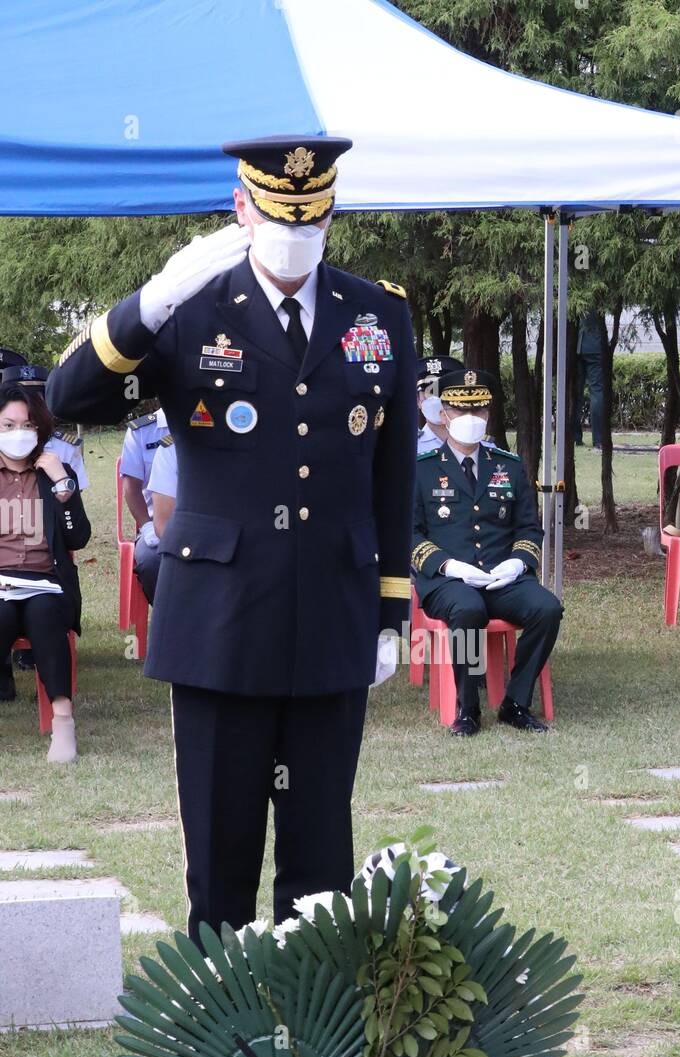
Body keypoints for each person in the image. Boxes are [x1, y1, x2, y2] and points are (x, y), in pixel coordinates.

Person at [47, 134, 416, 949]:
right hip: (219, 621)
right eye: (279, 217)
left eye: (310, 221)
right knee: (219, 857)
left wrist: (392, 607)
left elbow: (393, 474)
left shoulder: (379, 312)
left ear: (331, 215)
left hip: (331, 616)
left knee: (322, 861)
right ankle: (223, 1046)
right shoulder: (192, 309)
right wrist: (148, 303)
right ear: (242, 209)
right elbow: (68, 395)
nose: (294, 237)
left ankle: (314, 1036)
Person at [412, 367, 561, 735]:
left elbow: (529, 527)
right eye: (461, 411)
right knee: (468, 609)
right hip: (450, 582)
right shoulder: (421, 471)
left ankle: (515, 702)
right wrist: (448, 566)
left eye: (478, 411)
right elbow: (408, 534)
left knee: (547, 609)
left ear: (489, 414)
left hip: (502, 577)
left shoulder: (507, 467)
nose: (470, 419)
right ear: (443, 414)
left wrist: (517, 562)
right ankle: (468, 708)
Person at [0, 384, 90, 760]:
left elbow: (79, 537)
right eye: (7, 424)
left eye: (27, 424)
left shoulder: (56, 472)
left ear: (40, 428)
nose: (17, 433)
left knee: (43, 611)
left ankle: (63, 723)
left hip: (47, 584)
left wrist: (63, 487)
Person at [118, 407, 169, 603]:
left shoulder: (211, 422)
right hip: (157, 523)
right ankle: (168, 616)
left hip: (203, 520)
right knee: (151, 561)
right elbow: (131, 488)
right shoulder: (142, 431)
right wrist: (147, 526)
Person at [417, 355, 461, 456]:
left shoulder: (482, 445)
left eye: (444, 391)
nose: (437, 399)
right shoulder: (407, 449)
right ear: (418, 400)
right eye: (430, 392)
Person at [574, 311, 604, 449]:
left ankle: (575, 437)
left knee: (576, 393)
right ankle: (598, 439)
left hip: (576, 345)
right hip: (595, 345)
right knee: (597, 391)